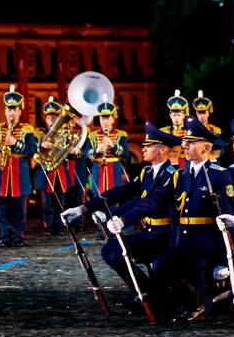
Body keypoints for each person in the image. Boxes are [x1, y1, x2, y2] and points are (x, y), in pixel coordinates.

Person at [61, 122, 180, 317]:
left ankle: (149, 295)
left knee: (117, 253)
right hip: (150, 232)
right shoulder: (147, 172)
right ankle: (148, 292)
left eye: (148, 145)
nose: (143, 148)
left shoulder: (172, 175)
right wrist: (84, 208)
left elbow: (150, 204)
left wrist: (123, 220)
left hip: (166, 235)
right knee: (109, 250)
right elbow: (122, 192)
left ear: (162, 150)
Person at [154, 117, 234, 323]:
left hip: (207, 239)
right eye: (185, 142)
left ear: (206, 148)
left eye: (191, 143)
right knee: (163, 265)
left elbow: (227, 219)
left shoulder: (219, 175)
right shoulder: (181, 176)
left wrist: (223, 259)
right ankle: (194, 304)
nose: (185, 145)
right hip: (184, 238)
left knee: (177, 263)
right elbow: (158, 202)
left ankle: (202, 305)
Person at [0, 85, 38, 248]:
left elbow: (32, 150)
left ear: (20, 111)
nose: (11, 113)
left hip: (20, 174)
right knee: (3, 209)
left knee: (19, 210)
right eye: (9, 109)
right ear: (5, 111)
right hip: (2, 174)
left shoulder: (27, 130)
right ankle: (5, 237)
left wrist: (16, 143)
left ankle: (18, 237)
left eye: (14, 109)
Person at [33, 97, 76, 236]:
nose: (51, 118)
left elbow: (73, 151)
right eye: (49, 116)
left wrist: (73, 151)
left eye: (54, 116)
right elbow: (32, 149)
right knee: (47, 204)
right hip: (45, 171)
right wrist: (41, 145)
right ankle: (49, 227)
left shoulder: (65, 133)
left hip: (60, 171)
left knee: (60, 202)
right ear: (45, 118)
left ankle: (60, 226)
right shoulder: (39, 133)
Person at [87, 97, 129, 193]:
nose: (105, 121)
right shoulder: (92, 135)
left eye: (108, 118)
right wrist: (96, 150)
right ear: (99, 119)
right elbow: (85, 153)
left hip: (114, 170)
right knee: (98, 196)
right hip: (98, 170)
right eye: (103, 118)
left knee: (114, 195)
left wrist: (113, 146)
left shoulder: (121, 134)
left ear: (113, 119)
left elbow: (126, 153)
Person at [162, 90, 190, 170]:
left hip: (186, 164)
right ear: (170, 115)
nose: (176, 118)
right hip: (170, 164)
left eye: (178, 115)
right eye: (174, 115)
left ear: (183, 115)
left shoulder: (190, 131)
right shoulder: (164, 131)